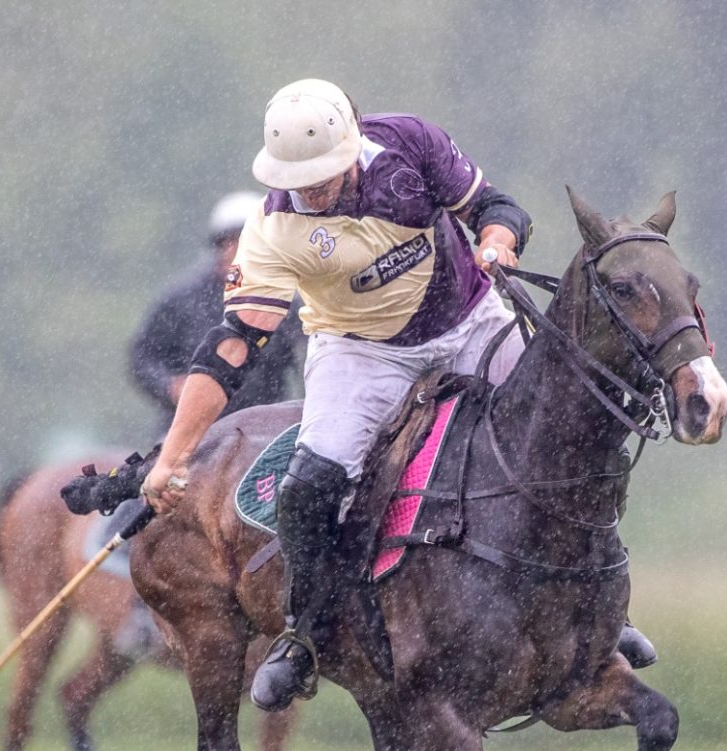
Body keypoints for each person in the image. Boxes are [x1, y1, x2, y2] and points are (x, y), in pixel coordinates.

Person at [142, 78, 654, 713]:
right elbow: (232, 346)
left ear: (352, 143)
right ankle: (306, 633)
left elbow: (498, 208)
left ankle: (604, 612)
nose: (313, 192)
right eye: (300, 181)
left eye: (324, 176)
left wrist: (496, 242)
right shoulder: (273, 229)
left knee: (569, 437)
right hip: (360, 349)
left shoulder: (409, 143)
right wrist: (173, 456)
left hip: (469, 320)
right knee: (310, 484)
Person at [128, 191, 306, 432]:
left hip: (262, 433)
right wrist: (170, 386)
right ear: (220, 246)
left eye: (250, 242)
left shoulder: (285, 303)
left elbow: (308, 354)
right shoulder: (180, 301)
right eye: (231, 241)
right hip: (191, 433)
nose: (238, 250)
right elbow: (143, 359)